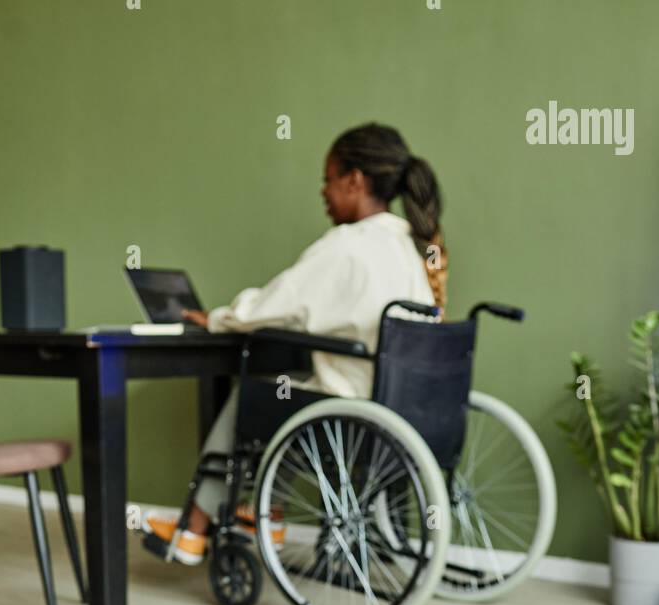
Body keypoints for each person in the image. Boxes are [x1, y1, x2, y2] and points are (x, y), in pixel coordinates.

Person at [142, 122, 447, 564]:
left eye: (328, 179)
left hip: (354, 415)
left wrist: (221, 318)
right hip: (402, 405)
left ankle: (194, 529)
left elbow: (277, 303)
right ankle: (269, 512)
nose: (323, 192)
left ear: (354, 180)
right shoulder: (411, 245)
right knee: (290, 385)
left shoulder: (348, 245)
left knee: (250, 398)